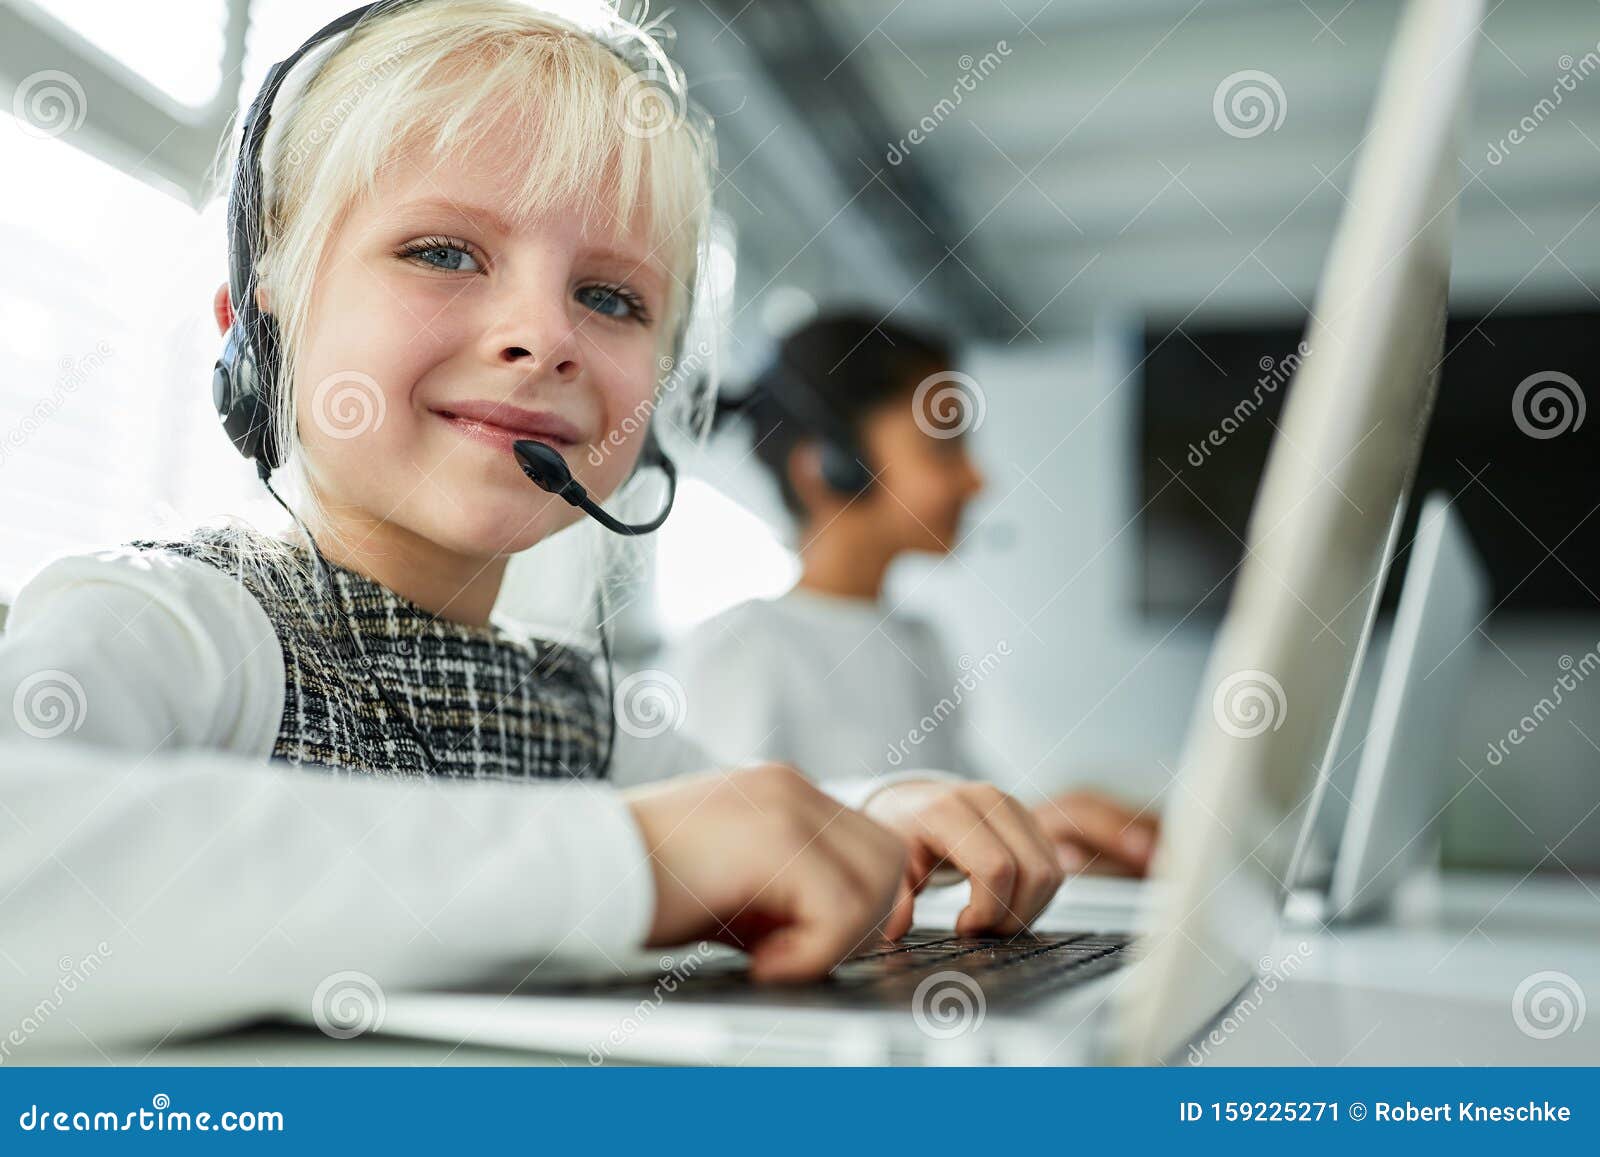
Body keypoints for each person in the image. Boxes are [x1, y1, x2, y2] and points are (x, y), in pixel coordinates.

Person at [0, 0, 1062, 1055]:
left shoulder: (579, 717)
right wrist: (628, 861)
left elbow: (723, 813)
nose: (546, 335)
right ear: (255, 319)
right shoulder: (174, 624)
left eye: (609, 296)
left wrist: (880, 806)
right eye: (444, 253)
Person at [673, 312, 1159, 878]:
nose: (978, 481)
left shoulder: (919, 642)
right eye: (943, 449)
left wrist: (1051, 832)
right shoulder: (744, 647)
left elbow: (952, 826)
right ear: (830, 468)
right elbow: (726, 854)